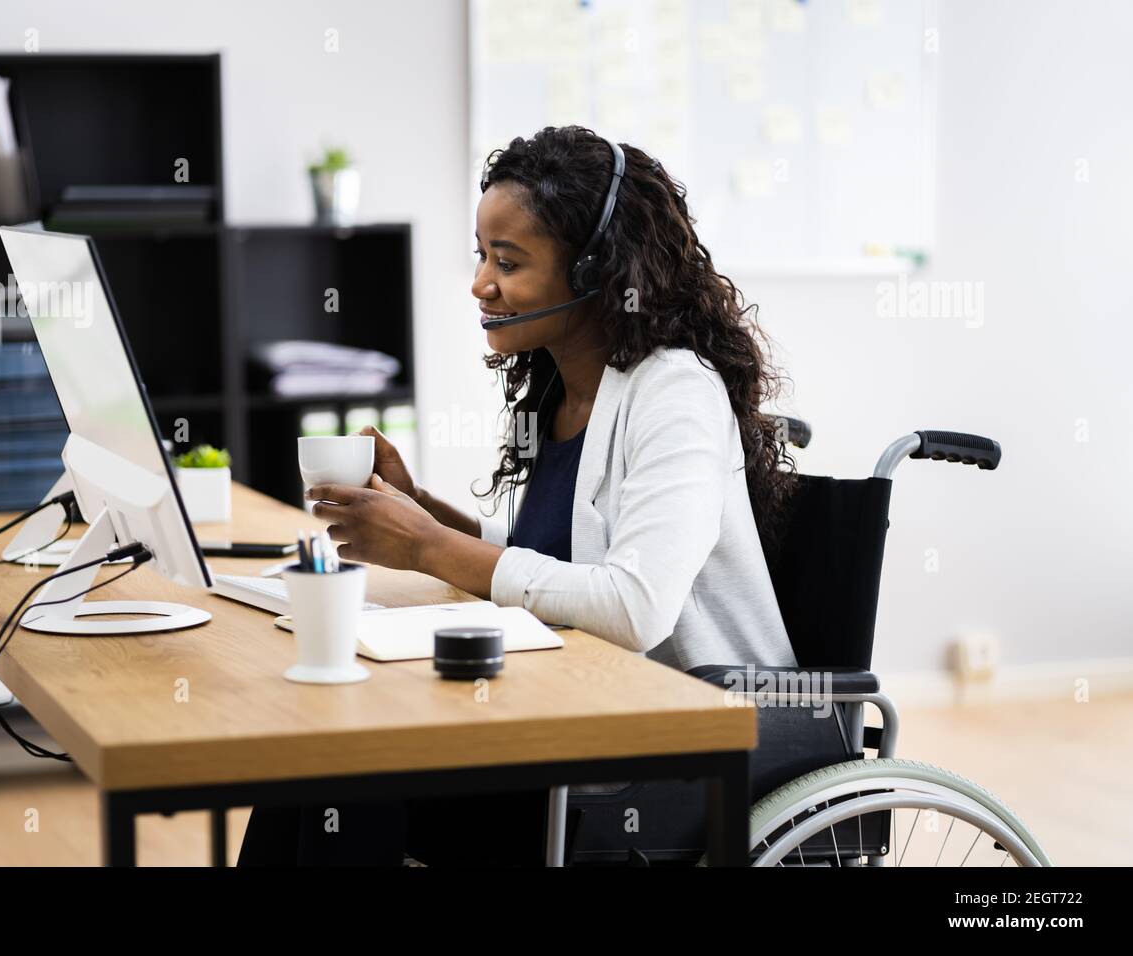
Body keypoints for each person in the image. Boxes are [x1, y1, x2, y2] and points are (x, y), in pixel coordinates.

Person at [238, 125, 797, 866]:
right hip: (577, 714)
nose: (481, 284)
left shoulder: (675, 393)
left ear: (598, 271)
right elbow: (554, 565)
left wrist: (429, 546)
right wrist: (423, 509)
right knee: (312, 761)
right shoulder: (561, 389)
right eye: (481, 255)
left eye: (509, 262)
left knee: (352, 781)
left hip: (688, 747)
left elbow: (634, 606)